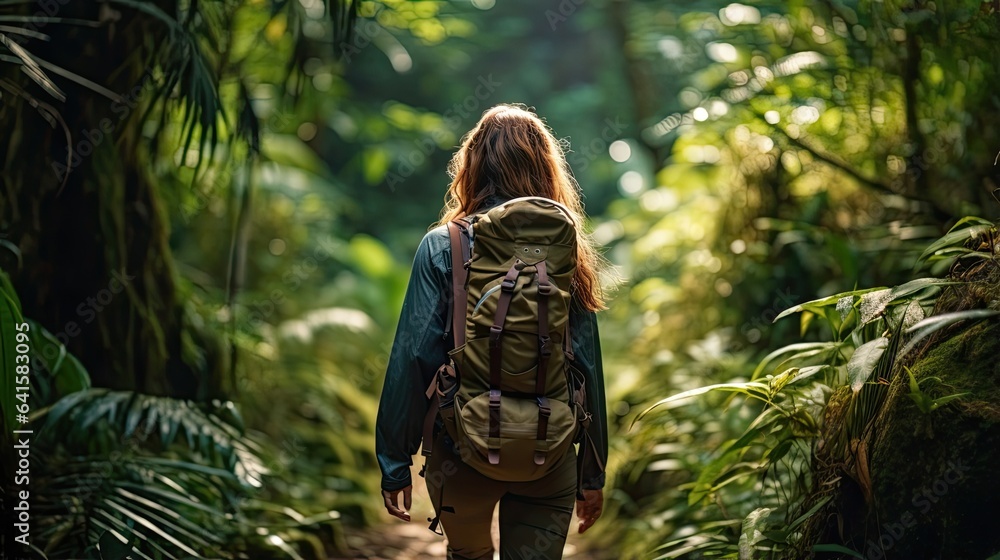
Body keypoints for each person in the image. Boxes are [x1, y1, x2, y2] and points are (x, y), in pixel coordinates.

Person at [375, 103, 610, 560]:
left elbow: (413, 356)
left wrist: (394, 462)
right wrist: (592, 473)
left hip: (460, 448)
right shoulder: (566, 249)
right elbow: (587, 365)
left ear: (472, 165)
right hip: (551, 447)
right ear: (546, 167)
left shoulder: (444, 244)